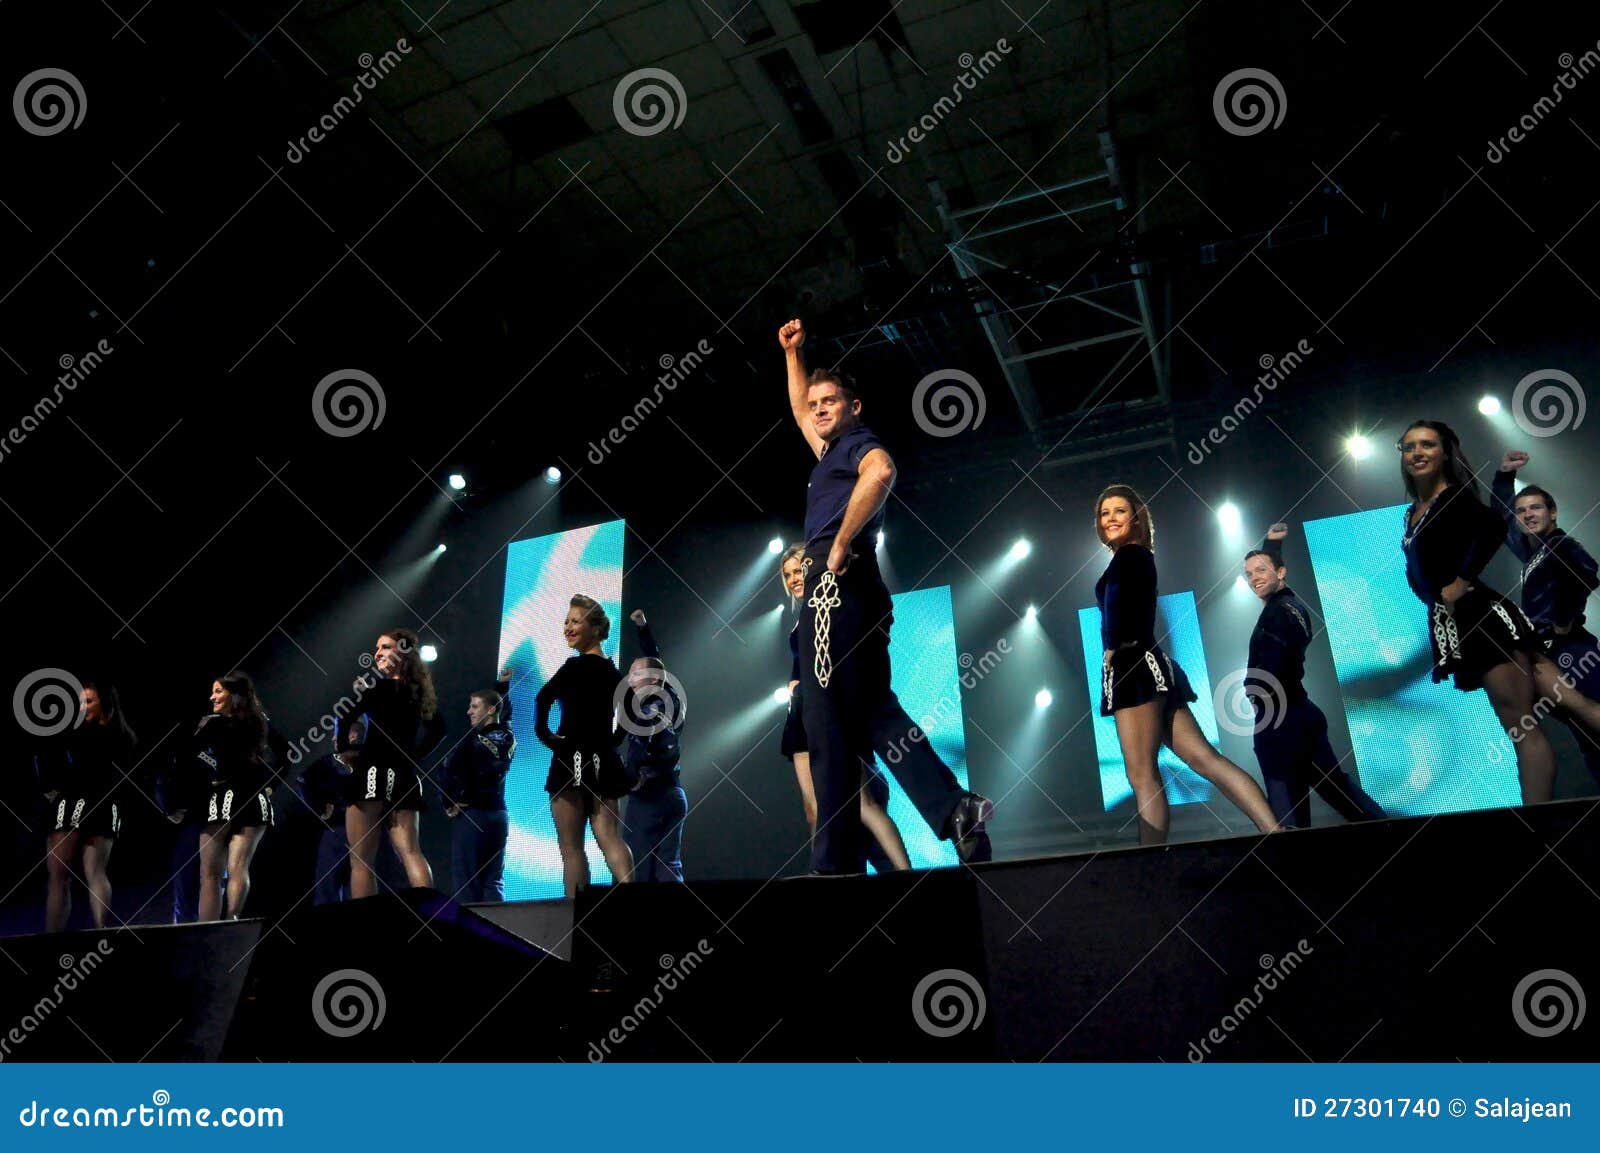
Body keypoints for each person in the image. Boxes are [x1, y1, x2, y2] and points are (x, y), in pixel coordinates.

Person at [778, 317, 993, 874]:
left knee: (826, 734)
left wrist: (841, 541)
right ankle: (955, 808)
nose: (820, 408)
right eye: (817, 402)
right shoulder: (829, 450)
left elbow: (883, 471)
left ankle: (834, 871)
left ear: (855, 407)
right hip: (860, 598)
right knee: (872, 710)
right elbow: (800, 409)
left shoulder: (857, 445)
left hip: (834, 593)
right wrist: (794, 354)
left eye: (832, 401)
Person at [1095, 485, 1279, 844]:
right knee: (1203, 759)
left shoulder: (1131, 556)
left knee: (1141, 772)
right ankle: (1273, 829)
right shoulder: (1131, 557)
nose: (1111, 519)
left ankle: (1151, 862)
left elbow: (1130, 611)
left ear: (1136, 518)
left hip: (1134, 667)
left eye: (1119, 511)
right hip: (1145, 665)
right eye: (1104, 513)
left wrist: (1115, 648)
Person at [1398, 420, 1552, 803]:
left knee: (1520, 724)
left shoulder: (1454, 498)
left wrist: (1463, 579)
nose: (1417, 453)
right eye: (1409, 446)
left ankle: (1542, 826)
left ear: (1445, 453)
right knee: (1567, 704)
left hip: (1481, 618)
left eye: (1427, 445)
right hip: (1457, 624)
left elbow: (1494, 525)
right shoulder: (1414, 511)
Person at [1242, 524, 1387, 828]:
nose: (1253, 578)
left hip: (1282, 721)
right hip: (1296, 715)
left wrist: (1260, 693)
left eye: (1260, 570)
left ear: (1281, 573)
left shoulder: (1280, 612)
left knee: (1290, 815)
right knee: (1337, 792)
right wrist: (1272, 545)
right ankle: (1390, 832)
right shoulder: (1287, 606)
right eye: (1249, 574)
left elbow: (1279, 660)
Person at [779, 546, 910, 872]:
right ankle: (823, 875)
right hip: (801, 716)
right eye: (788, 575)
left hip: (830, 709)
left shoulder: (831, 606)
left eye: (798, 570)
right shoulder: (802, 617)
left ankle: (908, 875)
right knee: (814, 809)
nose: (795, 578)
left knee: (863, 803)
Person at [1491, 449, 1600, 786]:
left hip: (1573, 650)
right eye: (1522, 511)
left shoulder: (1560, 544)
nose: (1527, 515)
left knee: (1592, 713)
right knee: (1586, 735)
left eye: (1535, 508)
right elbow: (1502, 519)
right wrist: (1504, 477)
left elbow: (1588, 573)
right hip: (1549, 654)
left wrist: (1565, 620)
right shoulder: (1533, 551)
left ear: (1553, 513)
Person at [535, 594, 634, 895]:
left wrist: (547, 736)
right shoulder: (614, 673)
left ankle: (576, 919)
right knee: (609, 836)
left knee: (571, 848)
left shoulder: (572, 668)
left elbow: (543, 697)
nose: (567, 627)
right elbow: (630, 711)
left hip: (570, 758)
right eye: (566, 621)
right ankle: (633, 901)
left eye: (575, 621)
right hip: (604, 760)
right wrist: (612, 743)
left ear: (595, 627)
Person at [339, 628, 447, 898]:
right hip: (404, 776)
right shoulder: (417, 691)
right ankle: (429, 915)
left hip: (371, 772)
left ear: (402, 653)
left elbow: (345, 717)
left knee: (361, 861)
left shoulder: (376, 688)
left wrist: (346, 751)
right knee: (410, 851)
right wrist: (412, 757)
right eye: (376, 649)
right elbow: (439, 729)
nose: (377, 654)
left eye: (385, 647)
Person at [39, 680, 136, 932]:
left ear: (105, 703)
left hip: (74, 804)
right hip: (106, 807)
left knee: (59, 879)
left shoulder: (77, 733)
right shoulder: (125, 736)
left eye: (88, 701)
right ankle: (102, 931)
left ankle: (52, 937)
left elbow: (53, 763)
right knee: (97, 873)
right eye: (81, 702)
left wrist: (52, 790)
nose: (82, 707)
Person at [182, 671, 276, 920]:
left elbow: (187, 755)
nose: (212, 696)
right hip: (255, 798)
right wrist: (270, 785)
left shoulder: (214, 723)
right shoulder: (259, 721)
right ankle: (232, 921)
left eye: (218, 691)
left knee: (211, 874)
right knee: (238, 868)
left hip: (224, 798)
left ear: (233, 695)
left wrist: (210, 765)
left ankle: (208, 929)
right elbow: (283, 755)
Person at [619, 609, 689, 882]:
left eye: (635, 674)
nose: (630, 679)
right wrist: (643, 630)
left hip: (650, 797)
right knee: (669, 868)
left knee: (639, 869)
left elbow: (641, 741)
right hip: (674, 794)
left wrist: (630, 777)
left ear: (651, 680)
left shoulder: (647, 708)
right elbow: (657, 666)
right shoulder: (672, 701)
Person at [441, 674, 516, 902]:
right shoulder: (507, 736)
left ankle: (470, 933)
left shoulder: (471, 743)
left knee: (467, 883)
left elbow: (448, 768)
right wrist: (503, 688)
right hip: (499, 815)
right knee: (493, 880)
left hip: (474, 815)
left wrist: (450, 801)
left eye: (474, 706)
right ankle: (497, 932)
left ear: (491, 709)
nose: (469, 712)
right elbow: (506, 716)